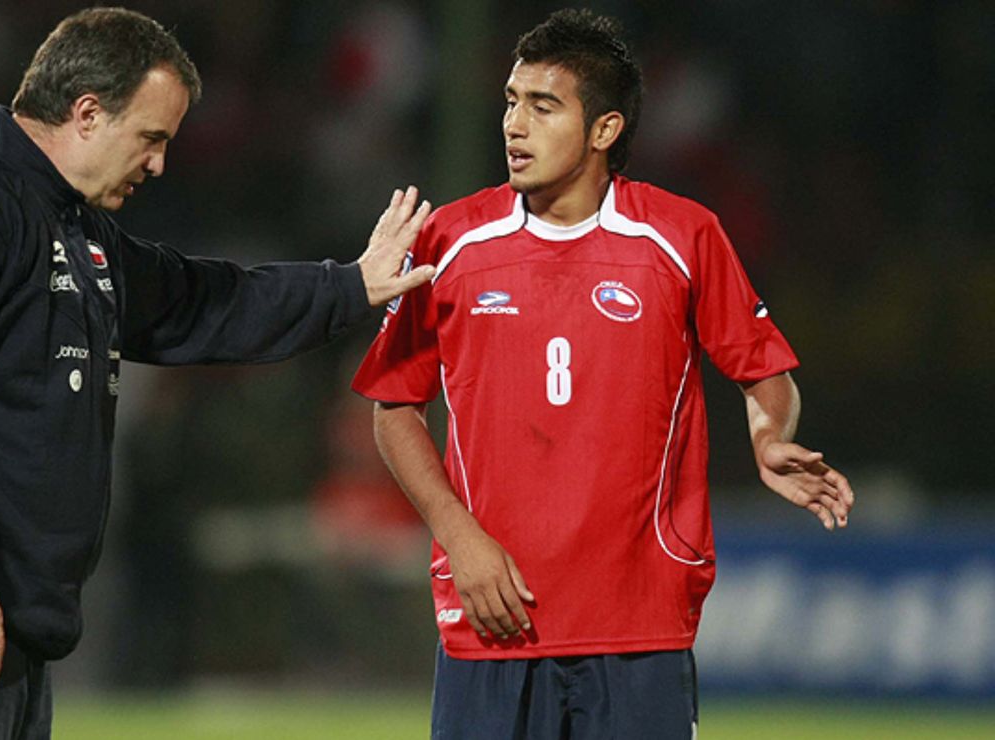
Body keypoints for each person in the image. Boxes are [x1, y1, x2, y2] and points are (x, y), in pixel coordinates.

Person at [0, 7, 434, 738]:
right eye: (151, 138)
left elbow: (202, 302)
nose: (160, 163)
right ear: (86, 113)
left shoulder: (74, 229)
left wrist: (350, 286)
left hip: (1, 618)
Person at [352, 9, 855, 739]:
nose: (514, 125)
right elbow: (393, 407)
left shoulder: (682, 237)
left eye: (543, 105)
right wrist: (459, 537)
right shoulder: (452, 240)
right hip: (495, 613)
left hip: (639, 620)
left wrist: (771, 436)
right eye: (510, 101)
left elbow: (763, 370)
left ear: (605, 130)